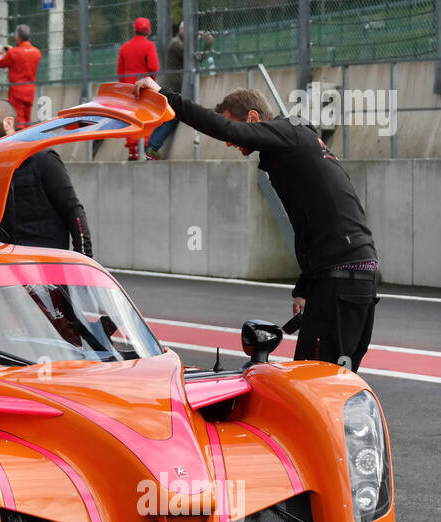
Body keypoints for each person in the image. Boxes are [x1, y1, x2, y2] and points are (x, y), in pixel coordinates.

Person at [136, 80, 378, 370]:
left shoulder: (285, 133)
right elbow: (310, 217)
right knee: (330, 380)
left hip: (342, 278)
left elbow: (221, 129)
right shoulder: (297, 141)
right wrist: (305, 285)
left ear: (253, 118)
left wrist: (165, 96)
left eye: (234, 127)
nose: (228, 141)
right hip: (348, 273)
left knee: (318, 383)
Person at [0, 98, 93, 256]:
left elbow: (72, 210)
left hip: (45, 269)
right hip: (4, 269)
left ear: (8, 123)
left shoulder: (42, 159)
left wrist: (84, 258)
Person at [118, 18, 159, 160]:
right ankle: (144, 148)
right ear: (148, 30)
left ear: (134, 28)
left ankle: (132, 150)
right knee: (145, 117)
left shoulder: (124, 47)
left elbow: (120, 71)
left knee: (131, 118)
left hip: (129, 88)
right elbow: (154, 67)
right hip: (144, 89)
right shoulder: (149, 46)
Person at [145, 23, 185, 160]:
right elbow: (194, 58)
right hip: (172, 86)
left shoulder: (177, 43)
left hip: (168, 84)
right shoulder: (177, 44)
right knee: (172, 118)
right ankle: (153, 147)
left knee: (164, 117)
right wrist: (206, 44)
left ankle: (151, 146)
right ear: (182, 30)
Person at [0, 25, 42, 124]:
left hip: (17, 90)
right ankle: (29, 138)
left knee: (18, 118)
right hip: (30, 89)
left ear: (17, 37)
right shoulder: (37, 52)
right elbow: (24, 58)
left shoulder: (13, 53)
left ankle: (21, 139)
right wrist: (12, 50)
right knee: (27, 118)